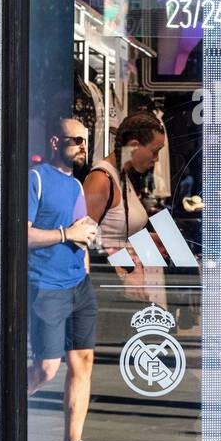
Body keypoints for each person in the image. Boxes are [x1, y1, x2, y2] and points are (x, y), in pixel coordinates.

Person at [26, 117, 109, 441]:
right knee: (46, 368)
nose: (82, 147)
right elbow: (23, 235)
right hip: (45, 285)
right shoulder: (37, 179)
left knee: (83, 362)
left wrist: (85, 260)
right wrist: (65, 234)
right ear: (55, 141)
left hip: (77, 285)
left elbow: (82, 232)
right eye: (76, 140)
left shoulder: (76, 186)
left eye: (85, 141)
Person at [83, 111, 168, 303]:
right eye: (155, 152)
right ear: (134, 146)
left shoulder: (123, 176)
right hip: (108, 293)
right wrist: (122, 277)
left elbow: (114, 232)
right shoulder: (101, 179)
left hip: (126, 289)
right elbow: (84, 241)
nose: (155, 160)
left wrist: (152, 240)